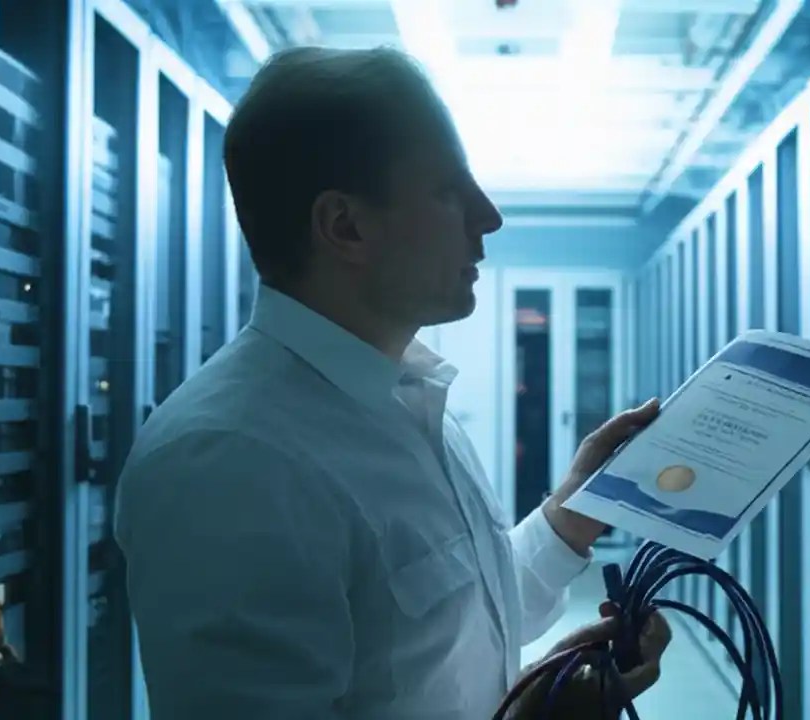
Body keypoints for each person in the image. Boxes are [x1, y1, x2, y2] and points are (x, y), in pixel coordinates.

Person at [113, 45, 670, 719]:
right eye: (449, 191)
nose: (489, 217)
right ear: (345, 225)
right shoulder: (230, 458)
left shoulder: (409, 397)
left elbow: (446, 627)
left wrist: (571, 519)